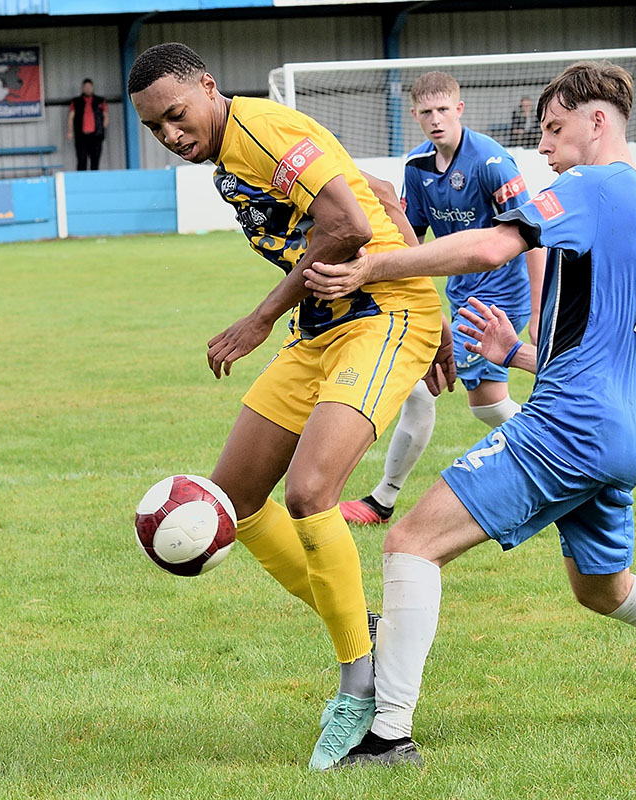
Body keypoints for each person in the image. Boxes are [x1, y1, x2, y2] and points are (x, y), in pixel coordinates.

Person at [304, 61, 636, 768]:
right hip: (622, 436)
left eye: (554, 127)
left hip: (568, 427)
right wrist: (514, 353)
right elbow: (601, 344)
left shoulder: (590, 186)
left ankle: (388, 735)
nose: (542, 145)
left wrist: (371, 269)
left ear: (597, 121)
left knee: (410, 543)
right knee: (604, 589)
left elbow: (492, 244)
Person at [127, 42, 446, 771]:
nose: (171, 134)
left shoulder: (264, 131)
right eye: (154, 128)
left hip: (382, 315)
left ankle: (359, 686)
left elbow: (350, 225)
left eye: (176, 114)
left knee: (309, 492)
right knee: (235, 499)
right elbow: (379, 192)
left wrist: (261, 317)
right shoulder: (227, 158)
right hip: (327, 323)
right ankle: (361, 628)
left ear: (208, 87)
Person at [340, 71, 544, 526]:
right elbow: (410, 238)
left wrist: (538, 307)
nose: (436, 120)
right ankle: (382, 501)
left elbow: (534, 236)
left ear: (459, 110)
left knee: (485, 403)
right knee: (419, 388)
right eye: (427, 112)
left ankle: (566, 458)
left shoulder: (491, 162)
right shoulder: (416, 167)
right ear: (415, 115)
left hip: (500, 296)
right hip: (460, 295)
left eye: (443, 110)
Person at [67, 79, 109, 170]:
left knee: (95, 162)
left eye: (89, 87)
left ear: (92, 87)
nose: (88, 89)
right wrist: (70, 131)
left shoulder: (100, 101)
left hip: (96, 136)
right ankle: (81, 179)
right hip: (81, 136)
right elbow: (71, 117)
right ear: (82, 88)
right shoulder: (76, 101)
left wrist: (102, 128)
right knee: (81, 161)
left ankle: (94, 179)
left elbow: (106, 116)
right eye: (86, 87)